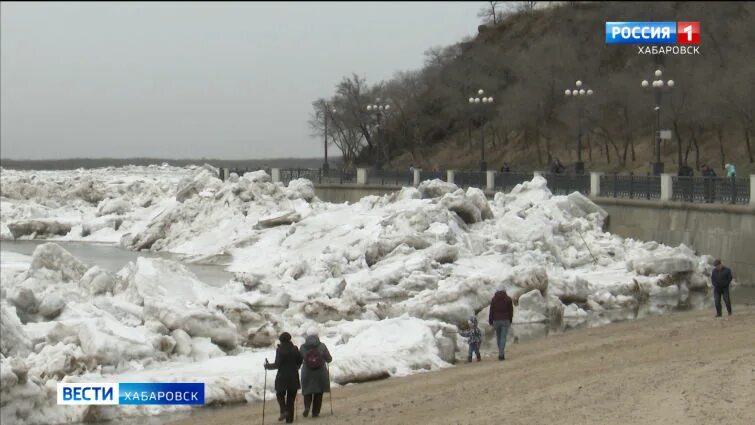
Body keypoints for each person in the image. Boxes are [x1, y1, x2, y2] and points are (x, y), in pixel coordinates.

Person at [264, 332, 303, 423]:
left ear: (281, 340)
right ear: (290, 339)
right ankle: (289, 420)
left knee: (280, 395)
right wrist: (297, 366)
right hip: (293, 377)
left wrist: (267, 366)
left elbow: (277, 364)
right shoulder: (295, 349)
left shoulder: (280, 350)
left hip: (282, 377)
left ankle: (284, 410)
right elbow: (300, 359)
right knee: (291, 398)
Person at [300, 330, 333, 418]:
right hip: (320, 372)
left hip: (307, 372)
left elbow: (299, 360)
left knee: (307, 391)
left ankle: (307, 407)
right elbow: (329, 359)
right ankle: (315, 412)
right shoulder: (322, 346)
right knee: (319, 392)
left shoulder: (303, 347)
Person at [488, 289, 513, 360]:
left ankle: (500, 352)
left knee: (498, 337)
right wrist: (510, 319)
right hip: (505, 320)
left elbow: (491, 310)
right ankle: (501, 354)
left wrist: (490, 321)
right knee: (503, 338)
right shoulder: (508, 299)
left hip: (496, 320)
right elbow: (511, 311)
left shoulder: (494, 299)